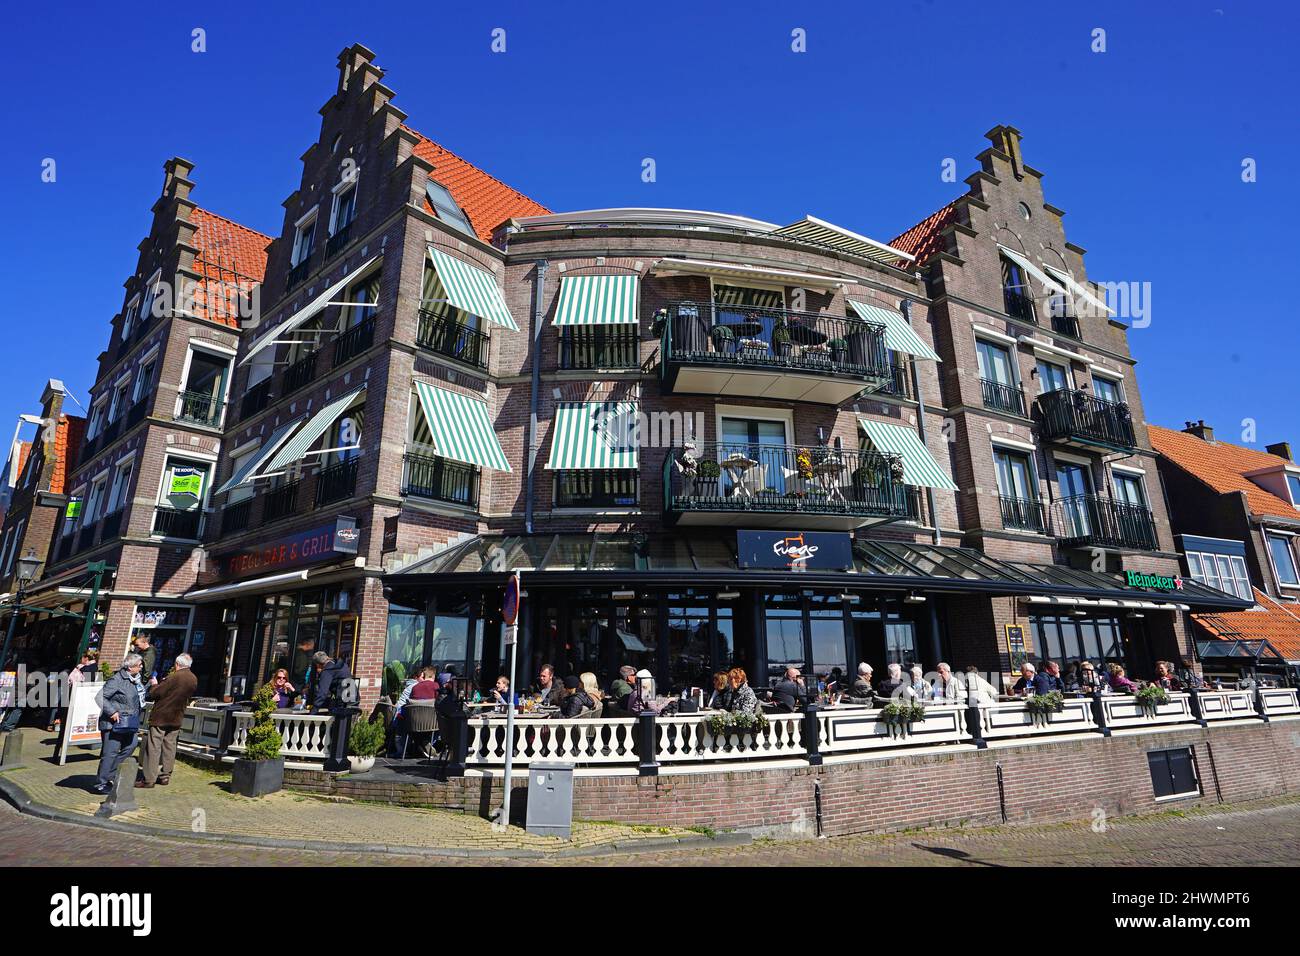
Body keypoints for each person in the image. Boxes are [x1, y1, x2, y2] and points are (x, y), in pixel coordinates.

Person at [137, 652, 198, 788]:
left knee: (154, 747)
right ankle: (165, 776)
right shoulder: (193, 678)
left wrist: (154, 684)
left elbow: (156, 693)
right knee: (170, 746)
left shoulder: (174, 677)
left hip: (162, 716)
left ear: (177, 664)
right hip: (177, 716)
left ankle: (149, 779)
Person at [93, 653, 145, 794]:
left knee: (131, 746)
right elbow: (100, 696)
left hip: (130, 722)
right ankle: (101, 783)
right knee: (110, 753)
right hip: (113, 724)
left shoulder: (135, 681)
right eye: (139, 665)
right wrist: (112, 712)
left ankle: (111, 773)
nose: (141, 668)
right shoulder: (117, 679)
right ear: (130, 667)